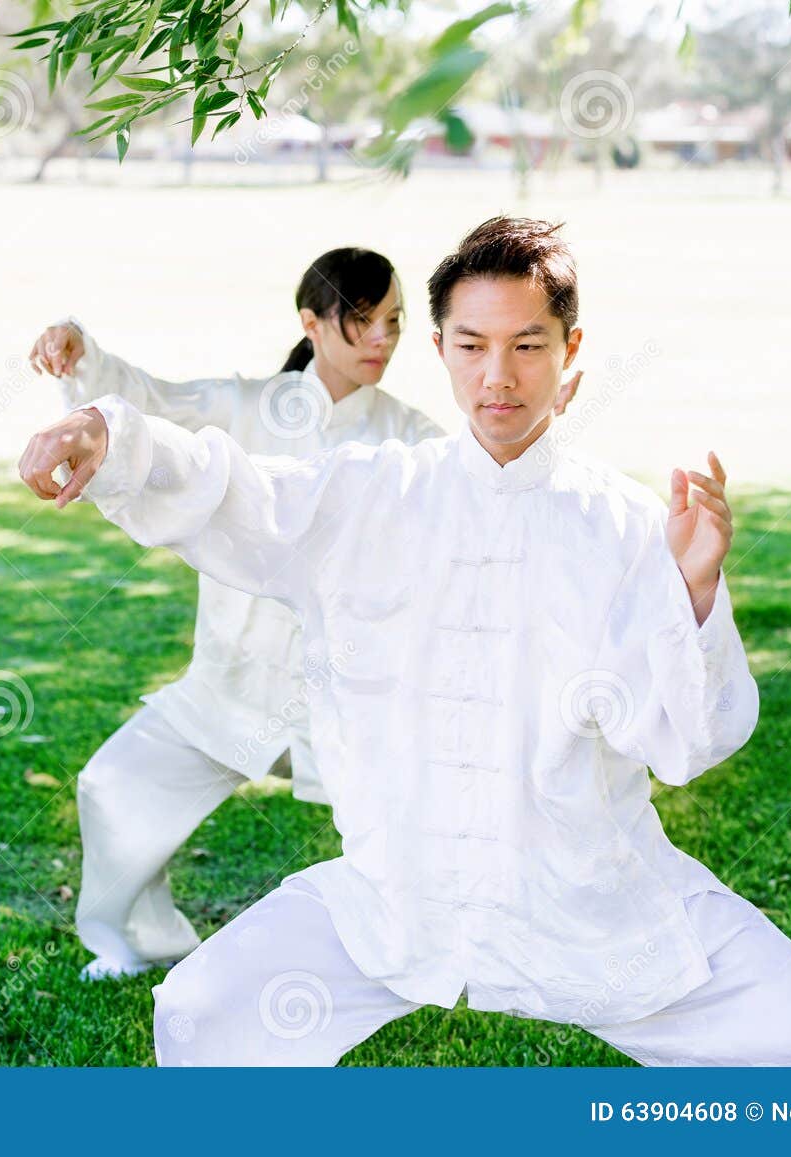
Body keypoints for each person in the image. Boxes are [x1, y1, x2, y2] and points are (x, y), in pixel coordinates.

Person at [16, 216, 791, 1066]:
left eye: (528, 345)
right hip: (397, 898)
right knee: (204, 1011)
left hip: (590, 901)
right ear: (444, 352)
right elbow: (241, 491)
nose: (500, 376)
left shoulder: (626, 526)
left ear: (570, 357)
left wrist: (690, 589)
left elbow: (687, 744)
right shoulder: (374, 494)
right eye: (472, 345)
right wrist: (113, 437)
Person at [29, 249, 507, 983]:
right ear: (311, 324)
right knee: (114, 785)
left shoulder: (411, 437)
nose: (381, 338)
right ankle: (139, 941)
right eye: (362, 321)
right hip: (236, 683)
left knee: (429, 818)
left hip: (354, 694)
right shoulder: (244, 406)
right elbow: (148, 405)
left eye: (394, 322)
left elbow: (469, 517)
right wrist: (81, 356)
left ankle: (453, 952)